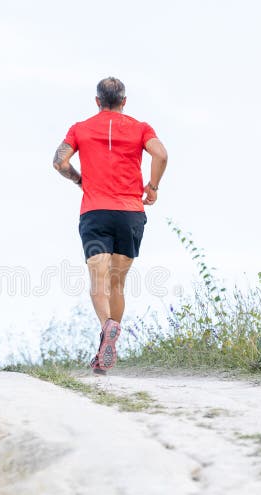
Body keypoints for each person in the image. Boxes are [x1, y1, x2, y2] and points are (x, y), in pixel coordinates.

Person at [52, 77, 168, 375]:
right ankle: (108, 342)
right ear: (124, 102)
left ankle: (108, 329)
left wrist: (79, 179)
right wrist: (152, 186)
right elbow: (161, 154)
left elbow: (59, 161)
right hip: (130, 214)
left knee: (98, 283)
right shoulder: (141, 128)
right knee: (117, 284)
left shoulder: (80, 128)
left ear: (97, 101)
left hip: (95, 213)